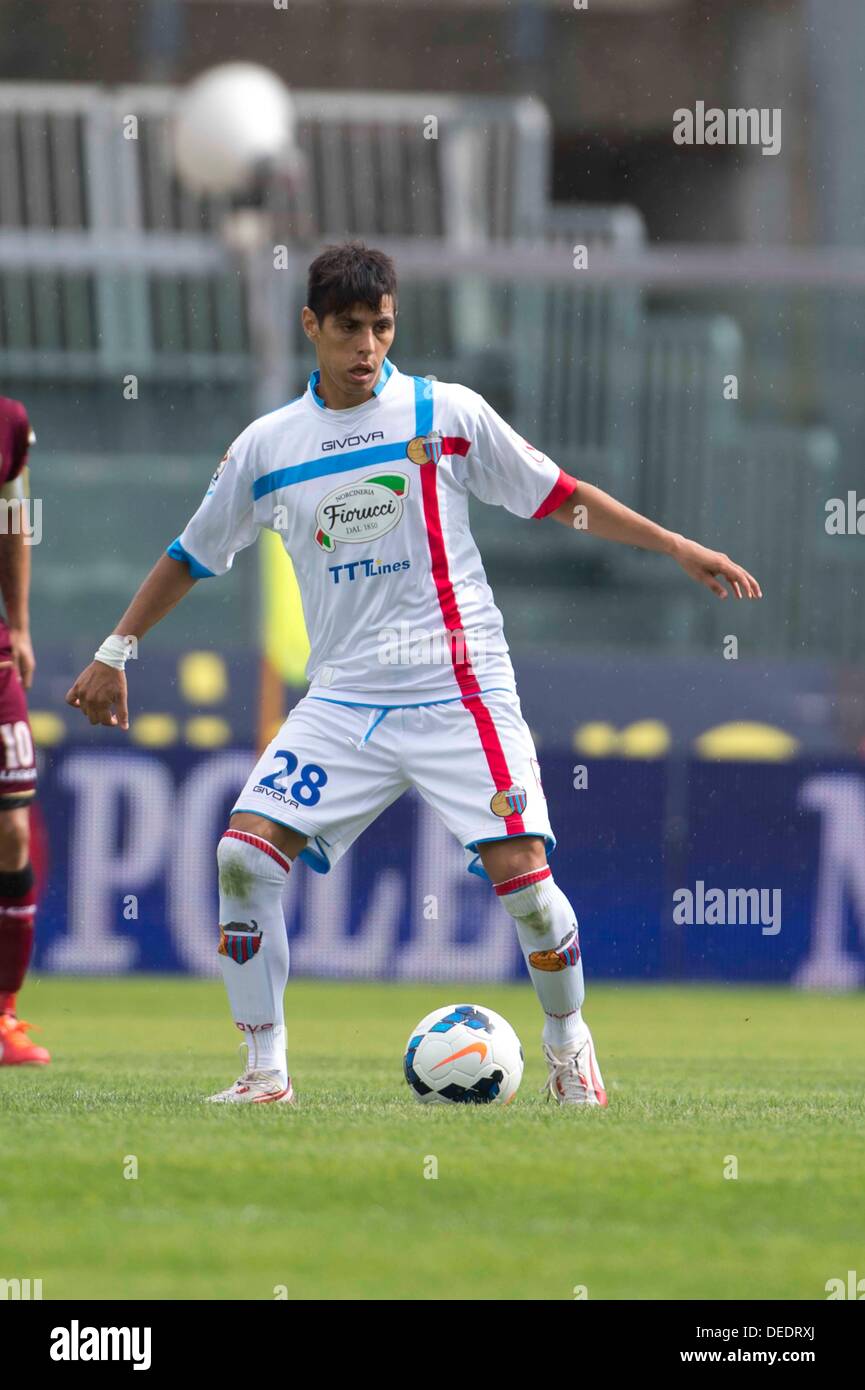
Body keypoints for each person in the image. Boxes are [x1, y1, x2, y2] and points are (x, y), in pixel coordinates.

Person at [66, 242, 761, 1106]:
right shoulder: (267, 447)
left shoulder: (445, 412)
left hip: (458, 688)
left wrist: (678, 549)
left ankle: (567, 1042)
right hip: (344, 699)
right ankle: (263, 1073)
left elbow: (559, 494)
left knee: (530, 893)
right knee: (243, 860)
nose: (368, 346)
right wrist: (113, 651)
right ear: (310, 326)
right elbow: (189, 555)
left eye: (382, 326)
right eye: (349, 328)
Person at [0, 396, 46, 1066]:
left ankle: (3, 1014)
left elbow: (14, 521)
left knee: (10, 828)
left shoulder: (10, 422)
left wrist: (22, 624)